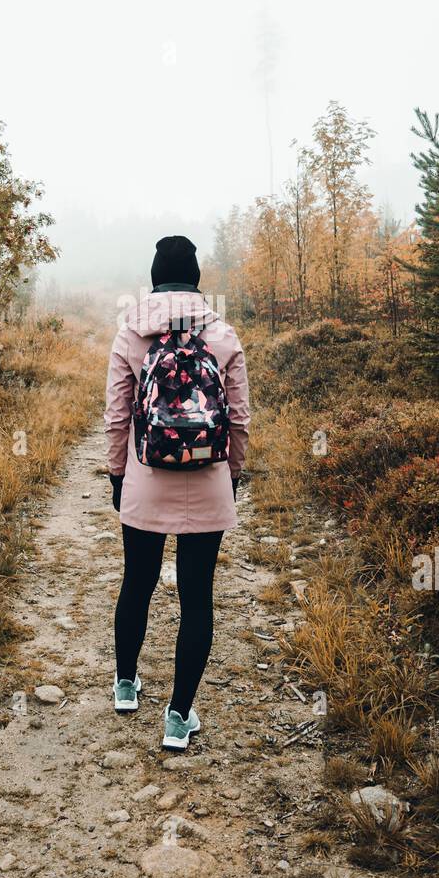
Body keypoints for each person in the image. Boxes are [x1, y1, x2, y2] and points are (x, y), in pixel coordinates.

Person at [104, 235, 250, 749]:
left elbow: (117, 416)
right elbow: (239, 417)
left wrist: (116, 475)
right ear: (196, 280)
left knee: (137, 582)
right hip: (208, 481)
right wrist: (233, 474)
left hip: (145, 479)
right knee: (197, 597)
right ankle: (177, 717)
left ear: (153, 279)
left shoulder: (130, 333)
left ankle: (126, 686)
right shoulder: (224, 334)